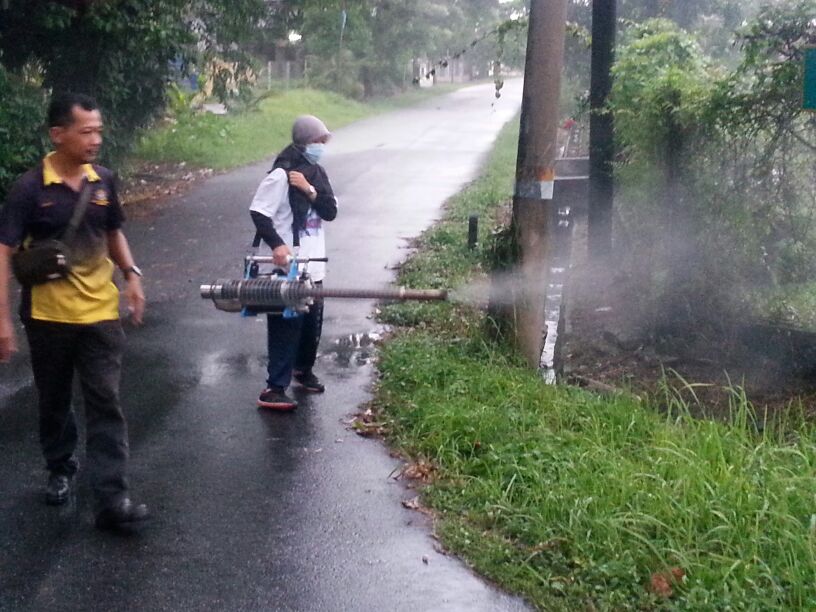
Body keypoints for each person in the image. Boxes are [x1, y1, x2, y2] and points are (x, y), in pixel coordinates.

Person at [0, 92, 149, 531]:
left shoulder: (103, 181)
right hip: (48, 317)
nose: (95, 139)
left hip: (100, 314)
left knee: (106, 401)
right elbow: (4, 251)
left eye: (98, 130)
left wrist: (132, 276)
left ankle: (112, 497)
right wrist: (3, 319)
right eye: (86, 131)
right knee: (54, 399)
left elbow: (114, 230)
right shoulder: (30, 188)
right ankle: (60, 466)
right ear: (57, 134)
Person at [249, 115, 338, 411]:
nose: (321, 147)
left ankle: (303, 370)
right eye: (317, 142)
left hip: (314, 265)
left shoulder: (317, 173)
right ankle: (274, 387)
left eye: (323, 142)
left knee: (311, 324)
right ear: (303, 143)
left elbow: (329, 210)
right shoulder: (280, 175)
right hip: (289, 267)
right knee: (286, 325)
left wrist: (308, 190)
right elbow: (259, 213)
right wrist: (277, 245)